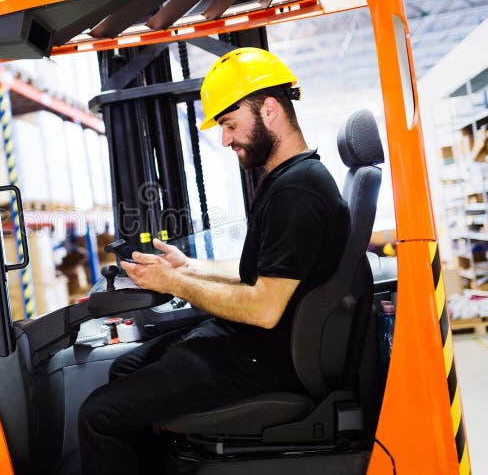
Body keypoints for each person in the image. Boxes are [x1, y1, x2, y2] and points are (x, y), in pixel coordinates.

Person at [77, 47, 351, 475]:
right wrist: (186, 267)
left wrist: (175, 285)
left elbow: (264, 307)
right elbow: (259, 271)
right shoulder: (291, 179)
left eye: (229, 124)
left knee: (98, 415)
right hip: (262, 346)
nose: (225, 140)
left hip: (264, 358)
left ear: (270, 110)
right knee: (126, 368)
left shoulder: (297, 193)